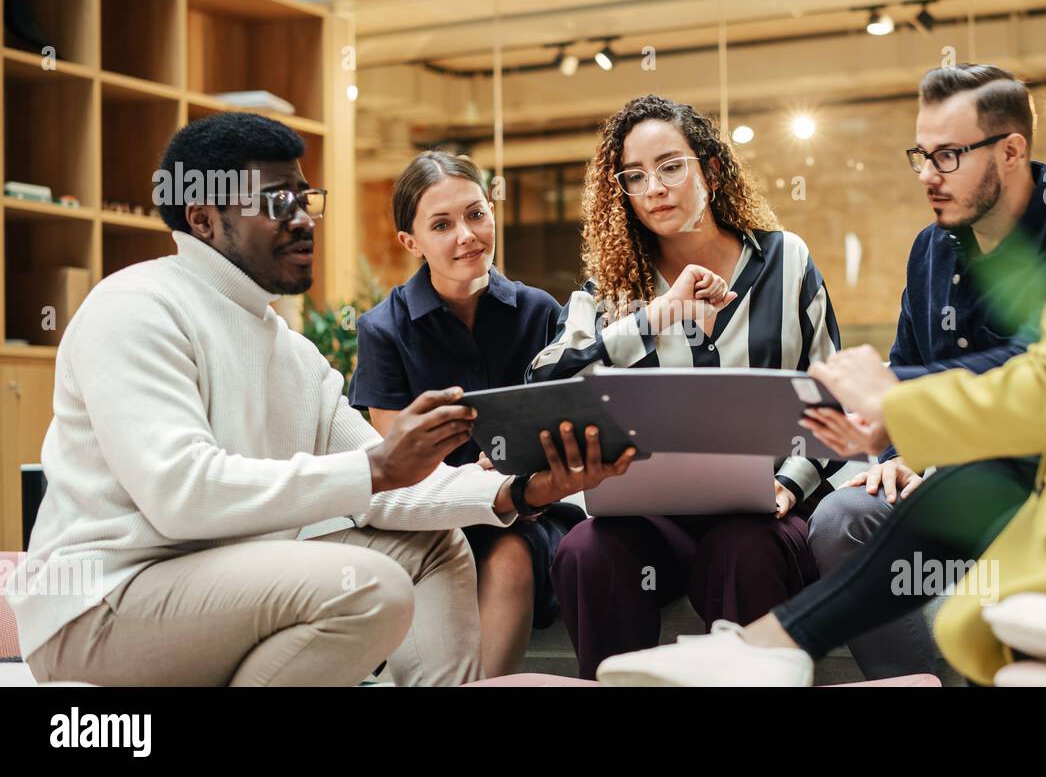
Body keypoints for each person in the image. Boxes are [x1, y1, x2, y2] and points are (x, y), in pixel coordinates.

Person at [593, 0, 1046, 687]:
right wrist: (897, 428)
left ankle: (775, 645)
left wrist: (893, 398)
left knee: (989, 482)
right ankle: (779, 645)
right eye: (921, 155)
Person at [4, 112, 633, 687]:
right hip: (100, 606)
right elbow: (182, 494)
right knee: (366, 588)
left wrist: (517, 493)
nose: (303, 218)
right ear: (201, 218)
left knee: (433, 543)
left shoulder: (291, 352)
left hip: (217, 587)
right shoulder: (137, 307)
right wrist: (376, 468)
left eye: (304, 198)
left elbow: (391, 483)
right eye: (277, 201)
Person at [529, 94, 843, 679]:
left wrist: (787, 486)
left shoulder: (787, 261)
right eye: (635, 176)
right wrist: (655, 316)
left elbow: (833, 402)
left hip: (763, 516)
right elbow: (546, 380)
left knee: (743, 550)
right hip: (650, 523)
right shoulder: (612, 290)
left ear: (712, 170)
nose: (654, 187)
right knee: (583, 553)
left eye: (671, 166)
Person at [809, 63, 1046, 682]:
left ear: (1011, 151)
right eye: (921, 155)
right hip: (947, 480)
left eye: (947, 156)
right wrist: (900, 454)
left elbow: (1043, 375)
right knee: (841, 519)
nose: (927, 175)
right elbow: (908, 361)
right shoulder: (931, 246)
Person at [350, 150, 583, 677]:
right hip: (432, 519)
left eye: (476, 213)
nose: (467, 235)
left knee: (512, 550)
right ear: (411, 242)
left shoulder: (540, 312)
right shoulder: (383, 330)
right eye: (442, 224)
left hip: (529, 512)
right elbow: (397, 469)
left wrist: (517, 483)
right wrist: (471, 484)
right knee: (461, 549)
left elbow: (563, 427)